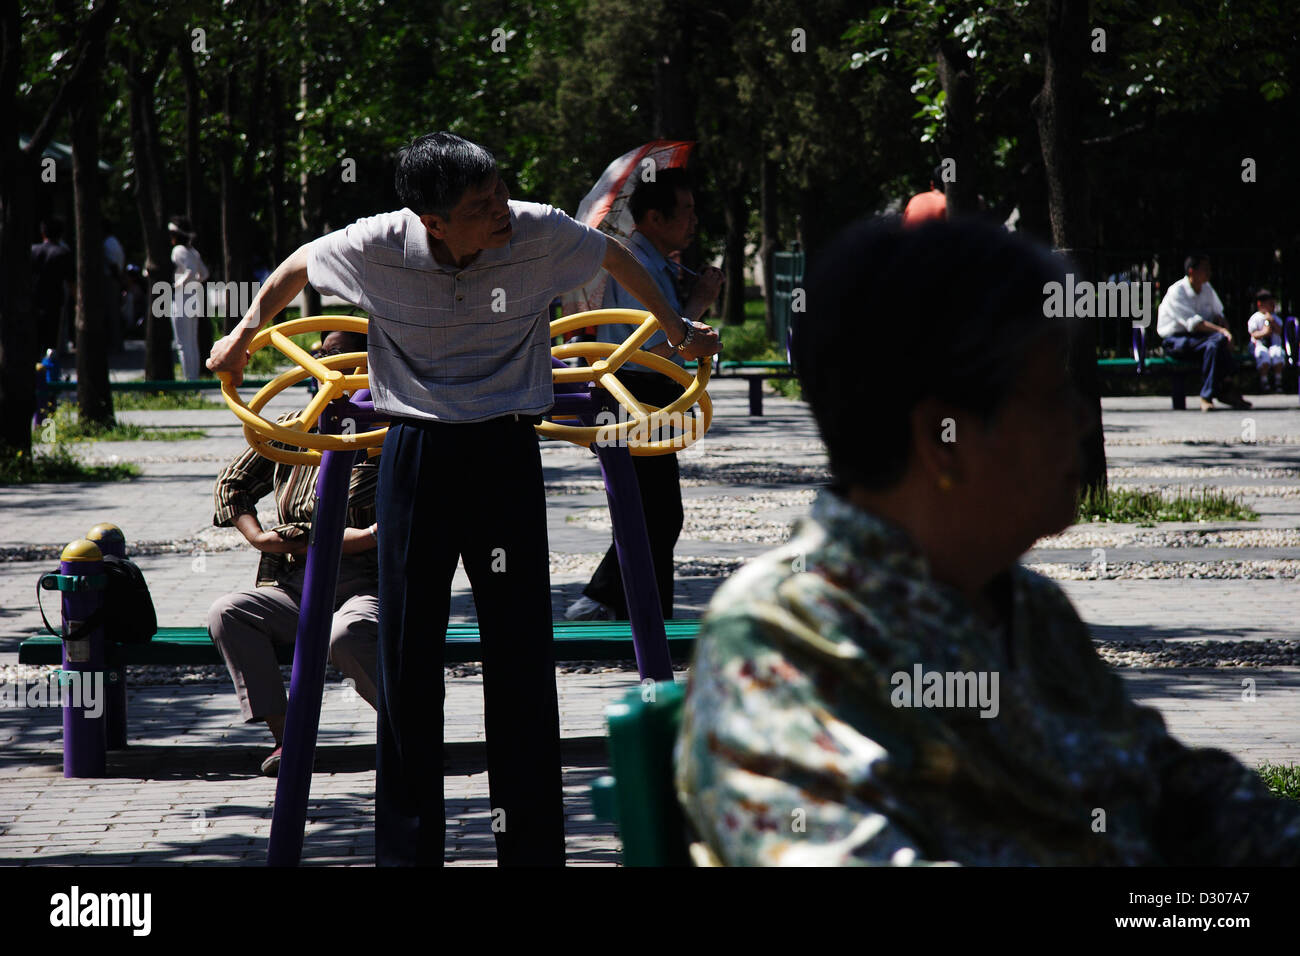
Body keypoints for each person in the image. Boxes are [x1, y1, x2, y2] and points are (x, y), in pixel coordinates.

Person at [675, 216, 1300, 866]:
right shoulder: (784, 641)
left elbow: (1180, 795)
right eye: (1051, 394)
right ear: (942, 438)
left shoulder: (1029, 610)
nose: (1083, 418)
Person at [206, 131, 721, 866]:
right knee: (408, 656)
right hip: (417, 452)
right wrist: (244, 331)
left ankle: (533, 849)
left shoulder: (535, 229)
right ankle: (409, 852)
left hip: (504, 451)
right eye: (481, 205)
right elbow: (296, 264)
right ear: (431, 220)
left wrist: (674, 330)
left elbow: (610, 255)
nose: (502, 210)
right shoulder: (378, 244)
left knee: (520, 656)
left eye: (500, 191)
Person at [207, 331, 380, 776]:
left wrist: (310, 538)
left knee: (348, 633)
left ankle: (410, 731)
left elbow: (388, 531)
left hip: (363, 584)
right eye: (321, 354)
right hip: (293, 584)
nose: (325, 362)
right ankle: (290, 740)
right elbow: (232, 483)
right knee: (229, 612)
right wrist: (260, 538)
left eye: (338, 353)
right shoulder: (293, 427)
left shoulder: (387, 431)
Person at [565, 168, 724, 623]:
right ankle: (613, 603)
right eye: (686, 211)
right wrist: (698, 305)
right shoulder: (632, 262)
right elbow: (649, 345)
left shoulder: (658, 260)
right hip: (634, 392)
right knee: (655, 511)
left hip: (650, 392)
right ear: (654, 217)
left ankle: (635, 607)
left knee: (654, 510)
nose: (694, 221)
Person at [1157, 253, 1250, 411]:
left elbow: (1219, 313)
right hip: (1177, 341)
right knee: (1216, 342)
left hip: (1204, 340)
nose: (1209, 272)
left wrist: (1224, 329)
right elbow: (1194, 324)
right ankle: (1225, 387)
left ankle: (1208, 395)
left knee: (1214, 345)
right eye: (1205, 269)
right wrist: (1222, 332)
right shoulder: (1177, 291)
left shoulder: (1207, 289)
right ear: (1192, 271)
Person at [169, 217, 209, 380]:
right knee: (192, 343)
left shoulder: (178, 251)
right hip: (194, 300)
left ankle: (189, 383)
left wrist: (177, 285)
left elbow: (191, 271)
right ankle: (194, 380)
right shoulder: (193, 252)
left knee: (182, 345)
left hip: (181, 301)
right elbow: (204, 273)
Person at [30, 218, 74, 360]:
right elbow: (71, 280)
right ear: (61, 235)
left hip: (32, 300)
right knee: (51, 341)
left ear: (43, 233)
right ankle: (49, 371)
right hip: (54, 300)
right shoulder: (62, 253)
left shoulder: (32, 251)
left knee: (34, 339)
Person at [1247, 288, 1285, 393]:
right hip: (1259, 346)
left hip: (1273, 345)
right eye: (1270, 303)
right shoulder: (1255, 318)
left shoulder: (1275, 318)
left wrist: (1272, 322)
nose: (1272, 305)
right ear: (1260, 304)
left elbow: (1279, 330)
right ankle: (1264, 382)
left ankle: (1278, 380)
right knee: (1262, 354)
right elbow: (1253, 334)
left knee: (1277, 353)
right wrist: (1264, 332)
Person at [102, 219, 126, 351]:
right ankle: (116, 343)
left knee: (111, 313)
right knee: (114, 313)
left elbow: (113, 265)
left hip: (111, 280)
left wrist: (119, 280)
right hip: (115, 278)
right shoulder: (114, 242)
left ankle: (114, 344)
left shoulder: (107, 243)